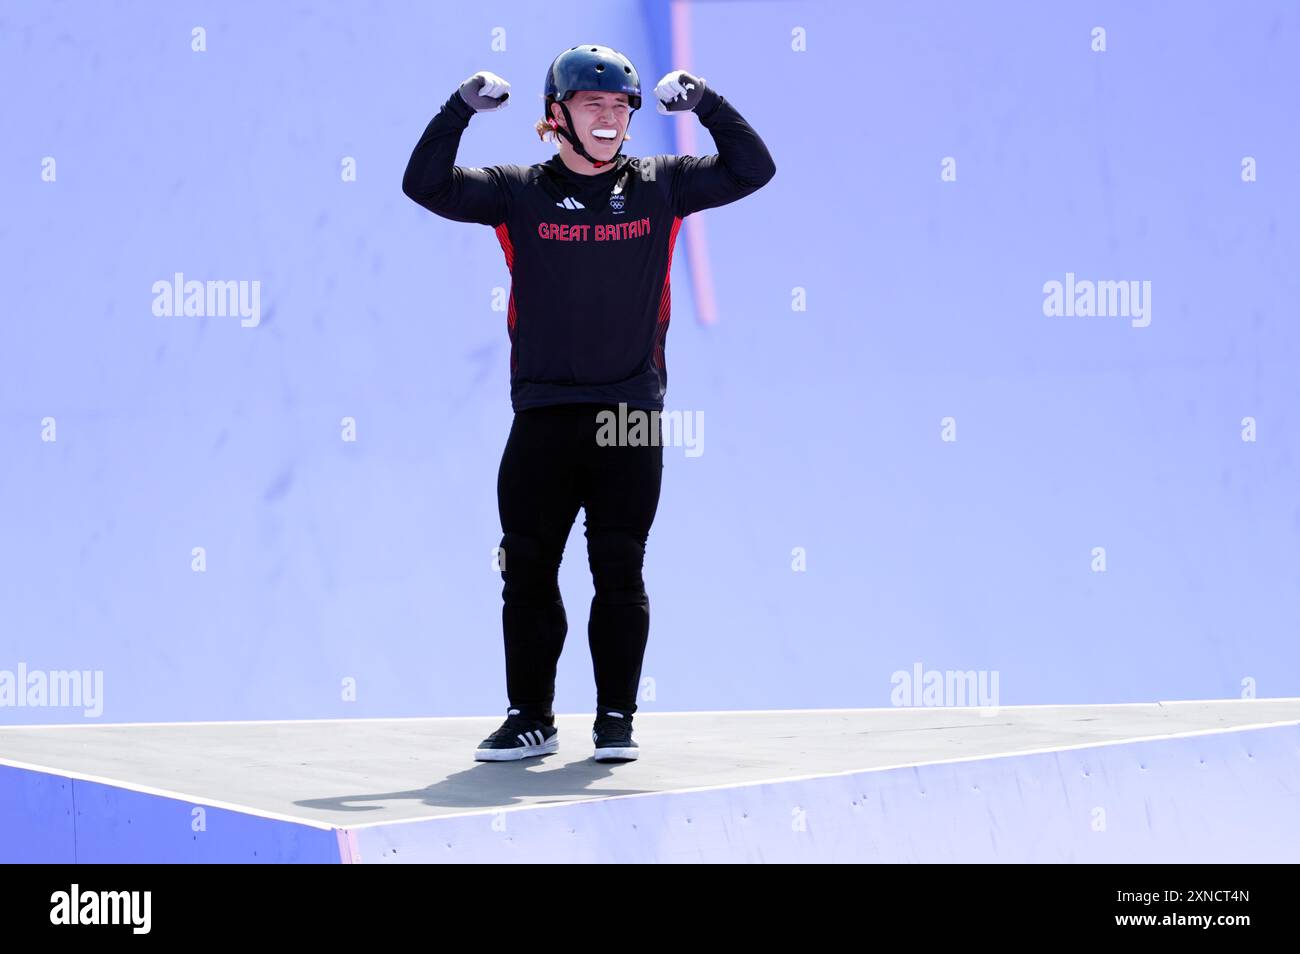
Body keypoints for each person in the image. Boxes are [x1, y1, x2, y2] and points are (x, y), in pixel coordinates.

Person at [402, 44, 775, 763]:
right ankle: (531, 717)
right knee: (528, 567)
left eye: (620, 106)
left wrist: (705, 103)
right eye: (591, 104)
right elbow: (426, 185)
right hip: (543, 411)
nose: (608, 117)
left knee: (619, 566)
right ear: (555, 115)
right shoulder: (518, 191)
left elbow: (753, 169)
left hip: (629, 409)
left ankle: (615, 720)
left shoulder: (662, 185)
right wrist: (459, 109)